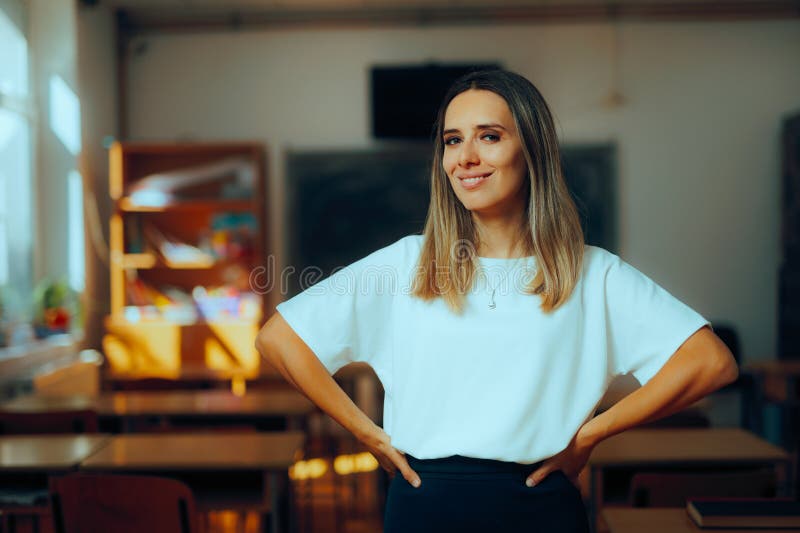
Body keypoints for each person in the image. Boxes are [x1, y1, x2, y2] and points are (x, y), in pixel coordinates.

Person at [255, 69, 739, 532]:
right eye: (452, 139)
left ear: (531, 151)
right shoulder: (406, 264)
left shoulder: (593, 273)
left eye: (489, 136)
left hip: (540, 505)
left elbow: (710, 363)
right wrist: (366, 433)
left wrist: (591, 435)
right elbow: (280, 339)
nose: (464, 156)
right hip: (423, 505)